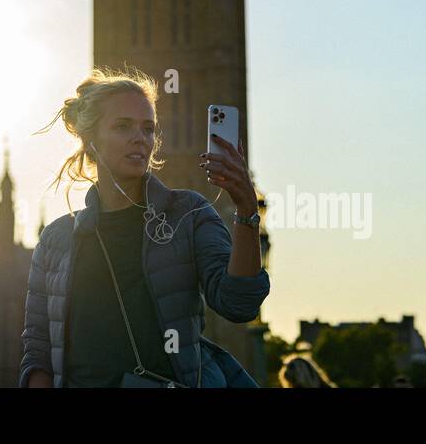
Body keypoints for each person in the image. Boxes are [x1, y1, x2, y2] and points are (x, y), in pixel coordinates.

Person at [18, 66, 270, 387]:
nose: (140, 138)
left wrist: (247, 209)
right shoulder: (56, 240)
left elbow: (239, 303)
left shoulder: (189, 214)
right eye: (123, 126)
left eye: (148, 128)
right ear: (90, 139)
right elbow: (38, 346)